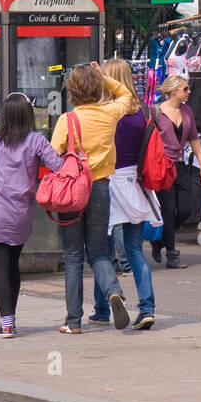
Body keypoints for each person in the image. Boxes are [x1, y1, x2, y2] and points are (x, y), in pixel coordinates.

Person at [50, 62, 139, 334]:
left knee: (74, 256)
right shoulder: (110, 113)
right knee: (99, 252)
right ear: (97, 87)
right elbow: (126, 96)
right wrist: (105, 78)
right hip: (100, 187)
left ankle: (73, 321)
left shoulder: (68, 120)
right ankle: (113, 290)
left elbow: (54, 155)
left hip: (72, 193)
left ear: (72, 90)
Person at [0, 93, 65, 338]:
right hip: (19, 212)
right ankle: (11, 320)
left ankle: (7, 323)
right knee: (12, 265)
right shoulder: (36, 140)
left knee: (0, 267)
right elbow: (58, 165)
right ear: (28, 115)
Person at [89, 59, 161, 329]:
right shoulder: (143, 111)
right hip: (137, 183)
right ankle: (147, 307)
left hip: (109, 181)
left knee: (101, 250)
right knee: (135, 250)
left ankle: (101, 307)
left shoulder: (107, 112)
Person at [148, 74, 201, 269]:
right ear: (173, 91)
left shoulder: (187, 111)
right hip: (162, 165)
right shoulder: (155, 112)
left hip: (180, 165)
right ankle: (172, 255)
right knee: (169, 209)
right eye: (185, 89)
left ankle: (161, 241)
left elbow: (194, 140)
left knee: (186, 209)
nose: (189, 91)